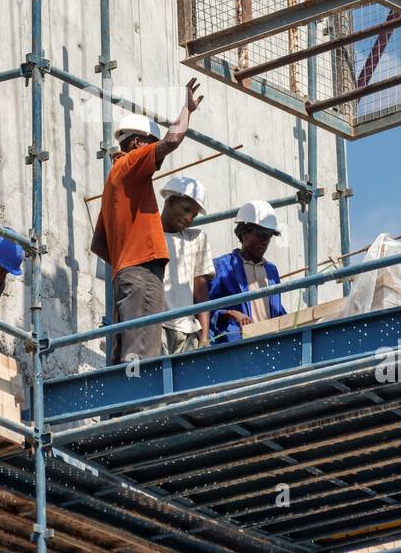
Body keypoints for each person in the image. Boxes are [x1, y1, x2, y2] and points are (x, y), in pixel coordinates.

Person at [91, 78, 204, 365]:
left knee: (127, 353)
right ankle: (140, 403)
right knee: (142, 354)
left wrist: (125, 263)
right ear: (138, 142)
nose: (156, 156)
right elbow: (172, 140)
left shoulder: (114, 184)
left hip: (126, 276)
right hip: (141, 274)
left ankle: (124, 407)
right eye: (149, 146)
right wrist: (187, 110)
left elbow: (100, 245)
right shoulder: (129, 164)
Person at [209, 201, 286, 343]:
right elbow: (205, 310)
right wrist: (230, 313)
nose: (265, 242)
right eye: (261, 235)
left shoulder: (271, 271)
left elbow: (276, 309)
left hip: (270, 342)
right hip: (238, 345)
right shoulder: (222, 267)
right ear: (243, 234)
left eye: (268, 236)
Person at [159, 175, 214, 354]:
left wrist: (204, 336)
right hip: (156, 327)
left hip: (188, 331)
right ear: (170, 201)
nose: (189, 218)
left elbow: (201, 291)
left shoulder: (196, 239)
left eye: (194, 215)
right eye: (185, 210)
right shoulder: (149, 235)